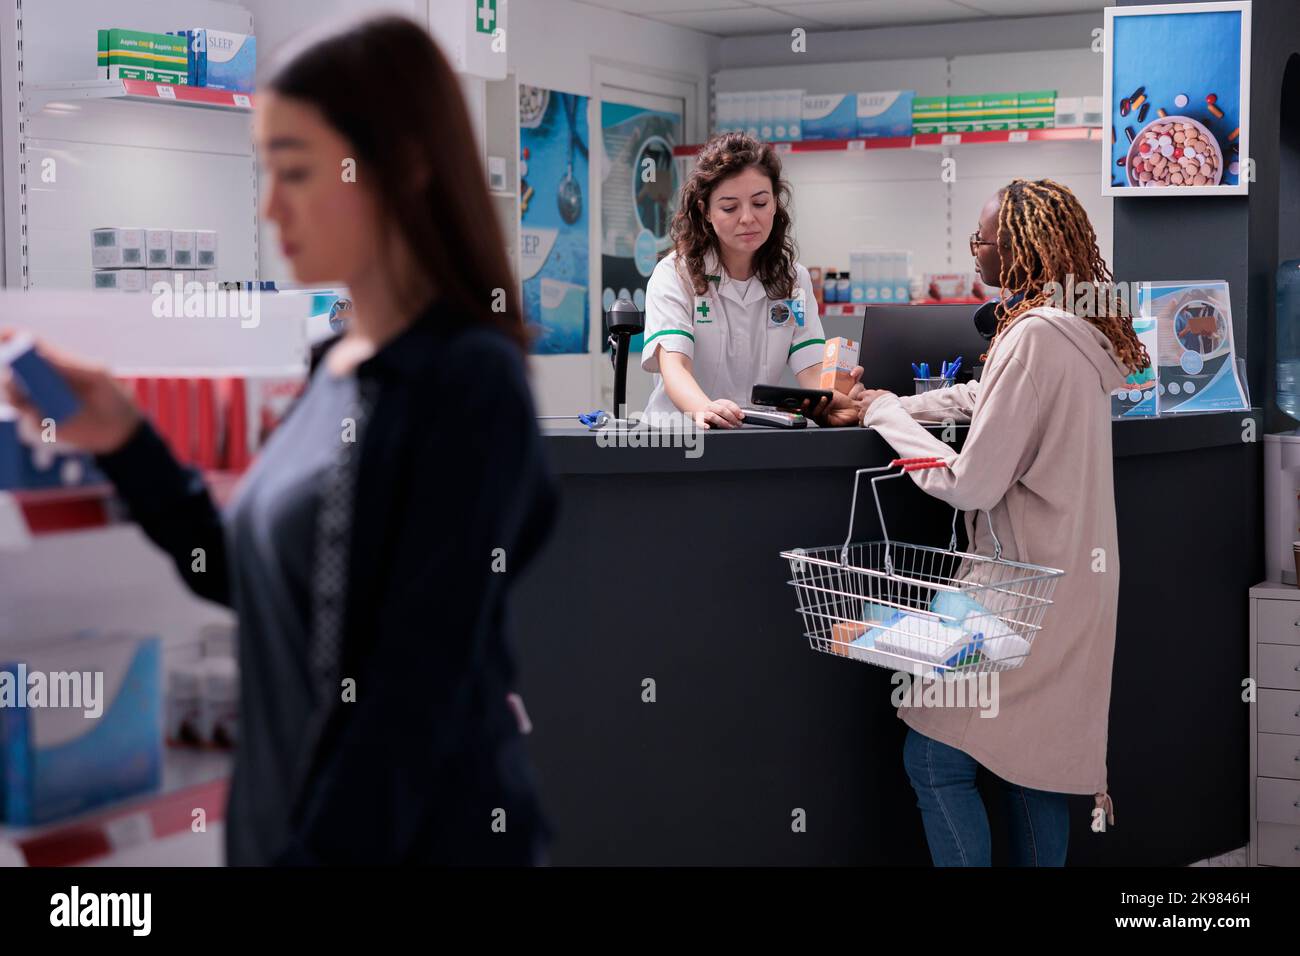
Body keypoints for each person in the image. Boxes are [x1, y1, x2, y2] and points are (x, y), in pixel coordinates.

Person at [2, 15, 555, 865]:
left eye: (295, 171)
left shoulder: (464, 385)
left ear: (403, 165)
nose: (268, 206)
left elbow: (410, 697)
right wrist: (124, 438)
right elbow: (256, 581)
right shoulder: (337, 365)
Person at [855, 178, 1149, 866]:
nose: (976, 252)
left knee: (932, 755)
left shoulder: (1032, 338)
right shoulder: (1071, 330)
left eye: (982, 240)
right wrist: (902, 403)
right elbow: (991, 397)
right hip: (1072, 586)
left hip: (1020, 596)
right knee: (1032, 763)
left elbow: (969, 482)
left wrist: (881, 417)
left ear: (1020, 250)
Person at [641, 132, 863, 428]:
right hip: (680, 438)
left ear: (774, 204)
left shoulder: (792, 279)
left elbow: (811, 366)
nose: (747, 218)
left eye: (759, 203)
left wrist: (837, 396)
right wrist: (704, 408)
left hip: (754, 435)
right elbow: (675, 367)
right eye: (729, 207)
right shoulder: (675, 275)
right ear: (705, 211)